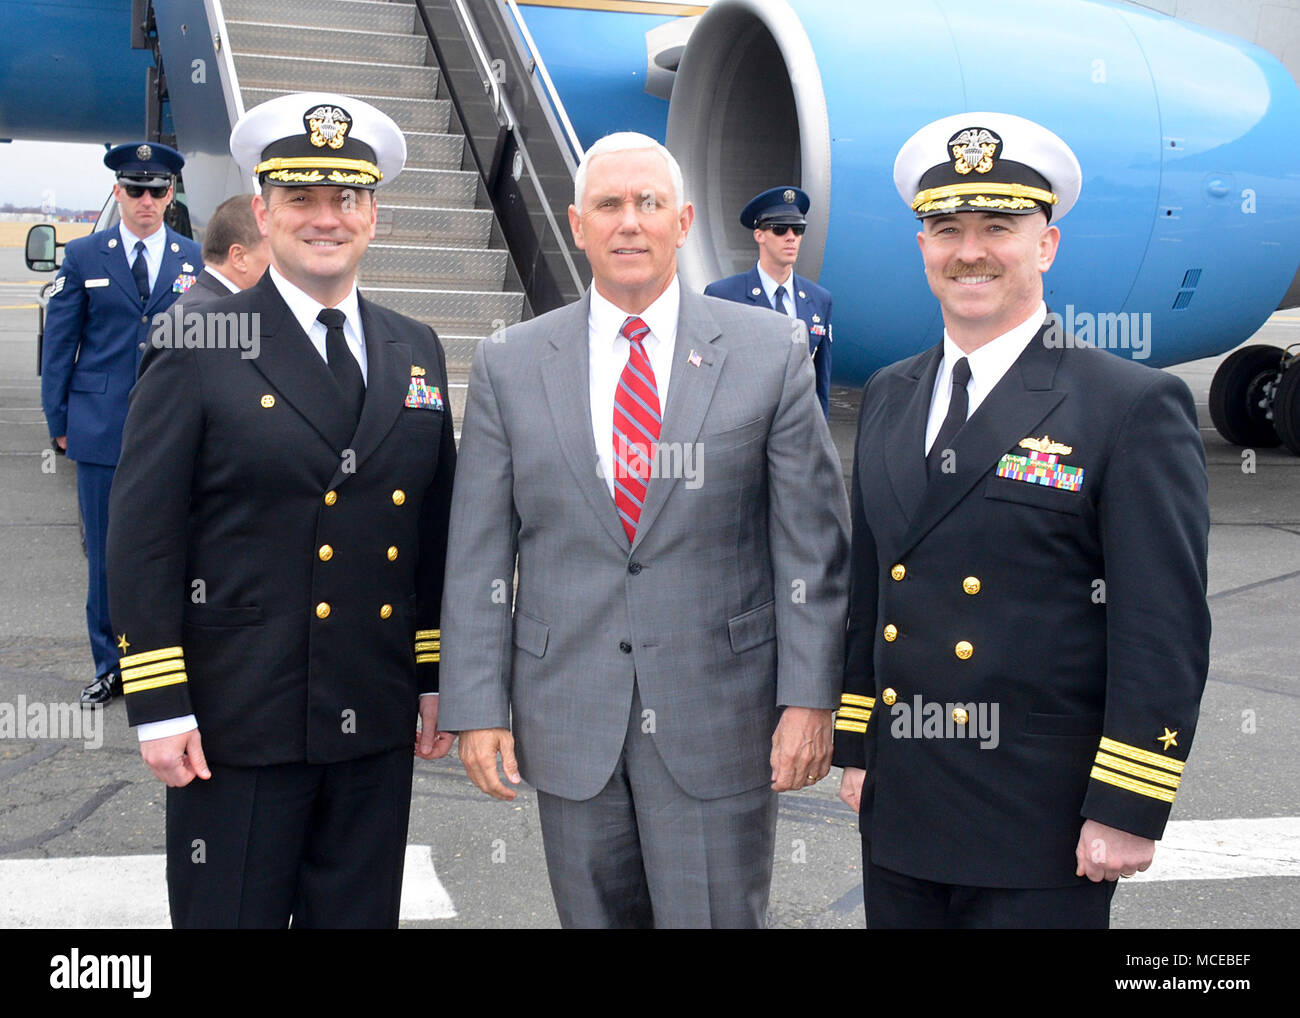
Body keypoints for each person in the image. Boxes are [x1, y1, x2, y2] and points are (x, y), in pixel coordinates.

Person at [438, 132, 850, 928]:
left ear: (683, 220)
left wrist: (808, 700)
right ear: (577, 222)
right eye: (608, 205)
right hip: (569, 719)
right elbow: (478, 551)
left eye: (648, 203)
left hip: (721, 719)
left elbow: (812, 544)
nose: (629, 223)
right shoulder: (509, 364)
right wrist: (478, 705)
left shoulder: (770, 352)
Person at [833, 112, 1211, 928]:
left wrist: (1129, 802)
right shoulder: (891, 393)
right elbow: (872, 588)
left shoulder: (1127, 403)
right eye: (945, 228)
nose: (969, 250)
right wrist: (858, 745)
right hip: (902, 807)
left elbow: (1161, 624)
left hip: (1042, 820)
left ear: (1046, 246)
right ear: (924, 246)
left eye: (998, 226)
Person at [105, 92, 457, 928]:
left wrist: (436, 674)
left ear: (375, 215)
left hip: (373, 715)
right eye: (301, 198)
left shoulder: (417, 347)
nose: (324, 219)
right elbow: (143, 535)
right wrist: (160, 701)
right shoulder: (199, 344)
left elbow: (433, 530)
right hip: (238, 723)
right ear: (264, 213)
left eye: (347, 199)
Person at [40, 142, 202, 704]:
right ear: (117, 191)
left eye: (157, 190)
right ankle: (111, 665)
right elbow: (60, 345)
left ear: (171, 193)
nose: (146, 200)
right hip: (101, 425)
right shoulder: (86, 255)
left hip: (174, 431)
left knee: (176, 546)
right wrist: (58, 420)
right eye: (135, 189)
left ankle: (164, 660)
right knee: (108, 553)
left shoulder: (193, 258)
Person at [704, 186, 833, 418]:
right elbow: (707, 376)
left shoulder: (819, 300)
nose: (791, 237)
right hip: (743, 429)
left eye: (798, 229)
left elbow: (820, 381)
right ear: (759, 235)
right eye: (780, 229)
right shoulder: (723, 296)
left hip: (797, 431)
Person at [185, 194, 270, 305]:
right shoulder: (206, 315)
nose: (283, 261)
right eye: (275, 251)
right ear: (239, 258)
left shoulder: (217, 305)